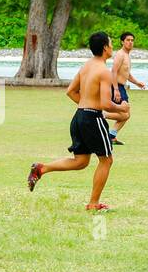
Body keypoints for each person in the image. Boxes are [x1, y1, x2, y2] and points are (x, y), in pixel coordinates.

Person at [27, 31, 124, 212]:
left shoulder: (86, 66)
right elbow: (104, 104)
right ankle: (93, 204)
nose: (113, 47)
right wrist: (122, 108)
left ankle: (41, 169)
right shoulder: (104, 71)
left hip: (79, 116)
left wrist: (85, 107)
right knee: (106, 160)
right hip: (92, 118)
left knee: (81, 161)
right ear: (105, 47)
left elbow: (70, 91)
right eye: (111, 44)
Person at [106, 31, 146, 145]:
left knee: (126, 115)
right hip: (115, 86)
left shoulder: (127, 55)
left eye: (132, 40)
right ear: (122, 42)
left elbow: (126, 74)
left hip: (121, 86)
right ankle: (102, 115)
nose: (130, 42)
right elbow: (113, 72)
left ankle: (111, 136)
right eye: (128, 40)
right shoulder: (120, 54)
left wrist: (137, 83)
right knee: (125, 112)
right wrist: (116, 90)